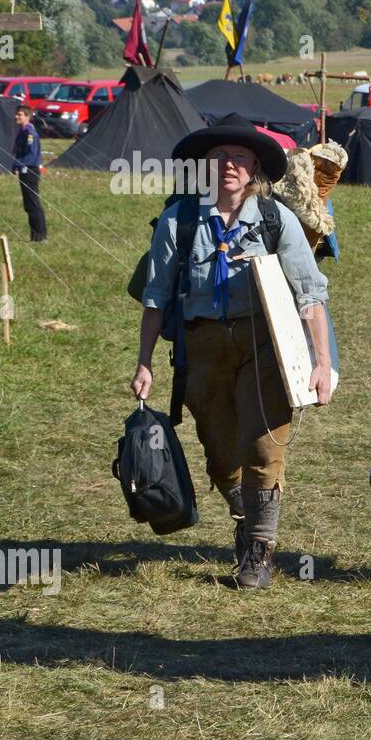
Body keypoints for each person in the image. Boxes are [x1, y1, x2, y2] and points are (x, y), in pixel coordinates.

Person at [131, 113, 332, 589]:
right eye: (219, 156)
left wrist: (322, 362)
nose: (228, 165)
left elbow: (311, 295)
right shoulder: (178, 222)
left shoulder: (274, 218)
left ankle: (258, 553)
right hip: (202, 350)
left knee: (264, 448)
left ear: (255, 167)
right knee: (221, 456)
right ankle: (246, 514)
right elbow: (156, 298)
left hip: (264, 345)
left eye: (239, 156)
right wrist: (144, 362)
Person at [11, 106, 47, 243]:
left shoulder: (30, 133)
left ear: (27, 116)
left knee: (33, 204)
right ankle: (35, 235)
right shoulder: (22, 131)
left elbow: (31, 155)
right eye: (16, 114)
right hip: (24, 170)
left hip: (29, 170)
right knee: (28, 204)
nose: (16, 117)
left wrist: (17, 164)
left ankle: (40, 236)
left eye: (20, 115)